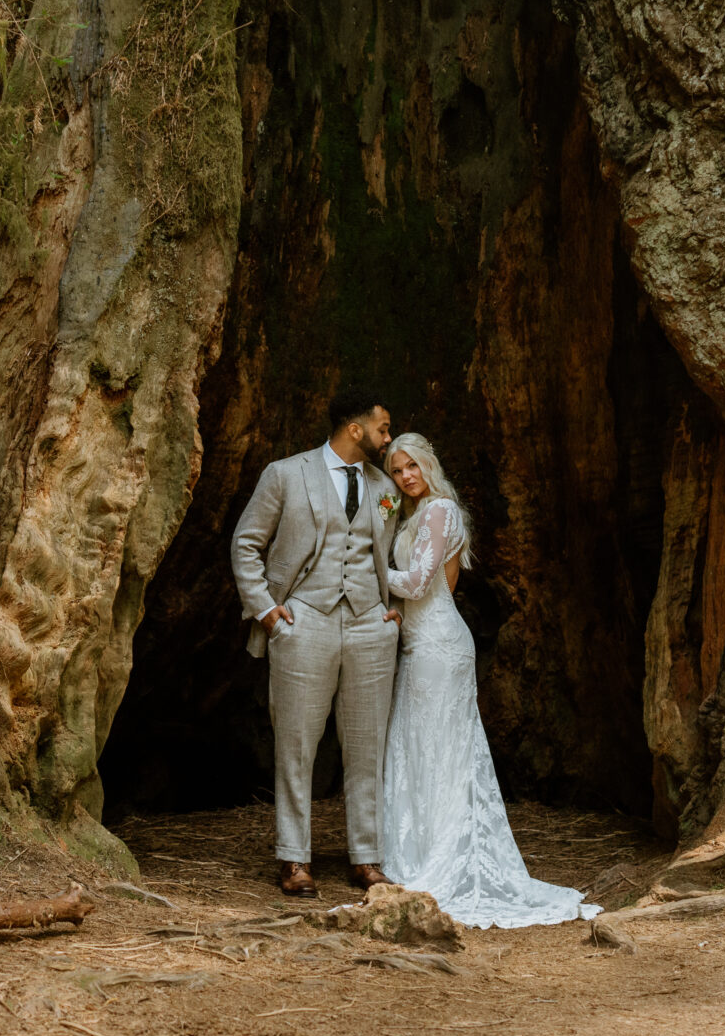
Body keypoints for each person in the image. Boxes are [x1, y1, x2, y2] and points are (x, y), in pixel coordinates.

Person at [379, 433, 597, 928]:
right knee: (418, 747)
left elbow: (417, 583)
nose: (406, 476)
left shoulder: (439, 511)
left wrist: (365, 570)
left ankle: (444, 860)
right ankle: (413, 854)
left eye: (413, 466)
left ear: (429, 464)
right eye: (396, 470)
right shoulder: (411, 513)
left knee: (442, 751)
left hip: (439, 646)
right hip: (419, 641)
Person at [230, 392, 404, 898]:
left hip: (371, 625)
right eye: (383, 428)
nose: (388, 438)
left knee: (368, 745)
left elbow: (386, 549)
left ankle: (366, 858)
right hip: (304, 622)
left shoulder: (383, 486)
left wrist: (389, 606)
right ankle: (293, 858)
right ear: (355, 428)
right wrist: (266, 610)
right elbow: (246, 543)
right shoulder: (286, 474)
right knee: (297, 744)